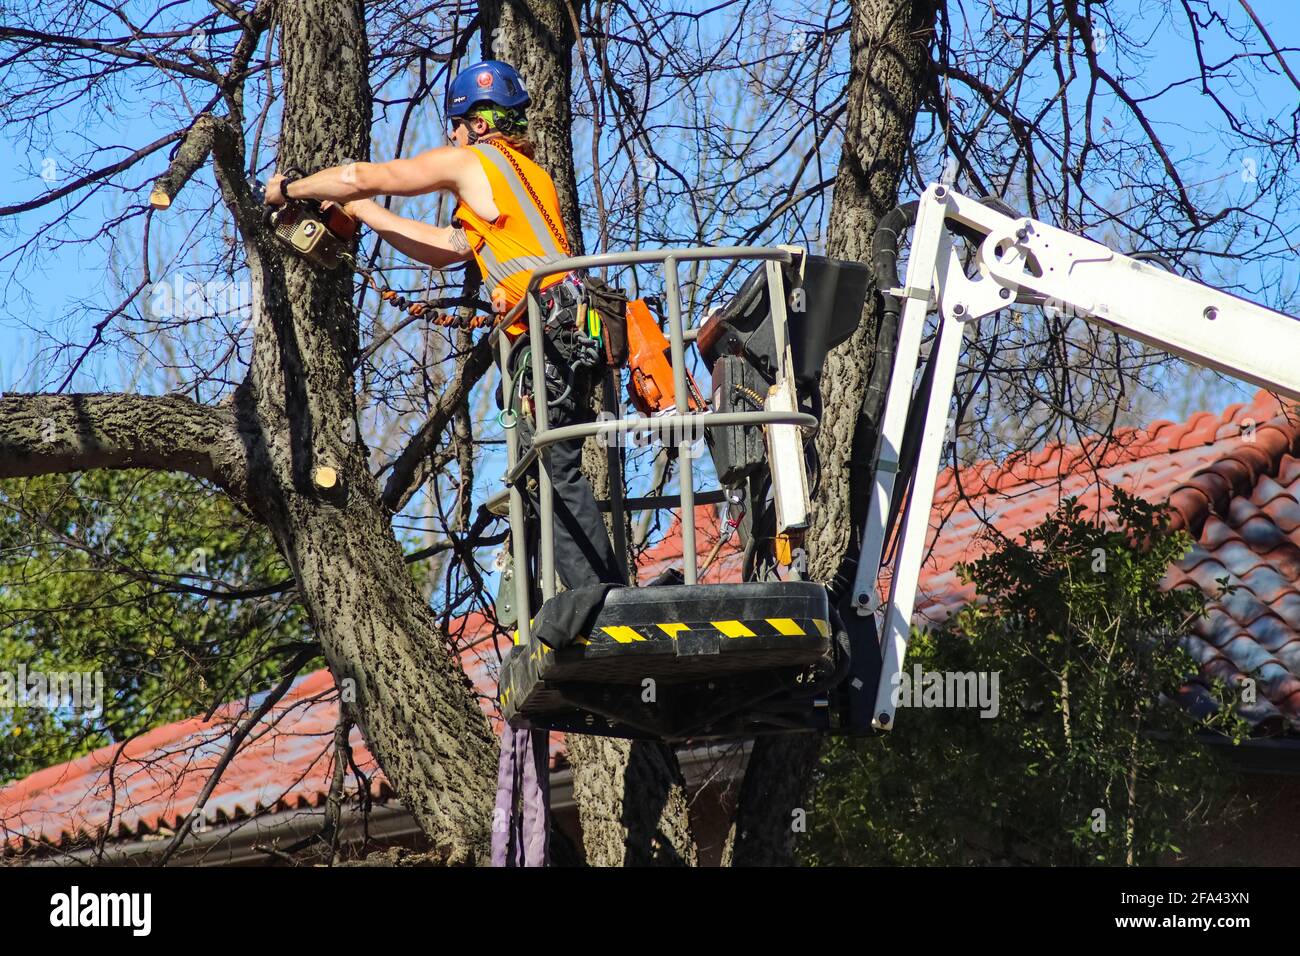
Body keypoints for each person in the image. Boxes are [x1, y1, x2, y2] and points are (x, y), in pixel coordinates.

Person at [262, 59, 623, 594]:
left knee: (555, 467)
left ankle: (601, 595)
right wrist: (364, 214)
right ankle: (599, 591)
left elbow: (363, 175)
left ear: (478, 122)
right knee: (550, 464)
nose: (452, 137)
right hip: (568, 328)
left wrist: (289, 190)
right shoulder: (529, 178)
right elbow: (450, 250)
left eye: (456, 125)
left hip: (550, 332)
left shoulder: (474, 160)